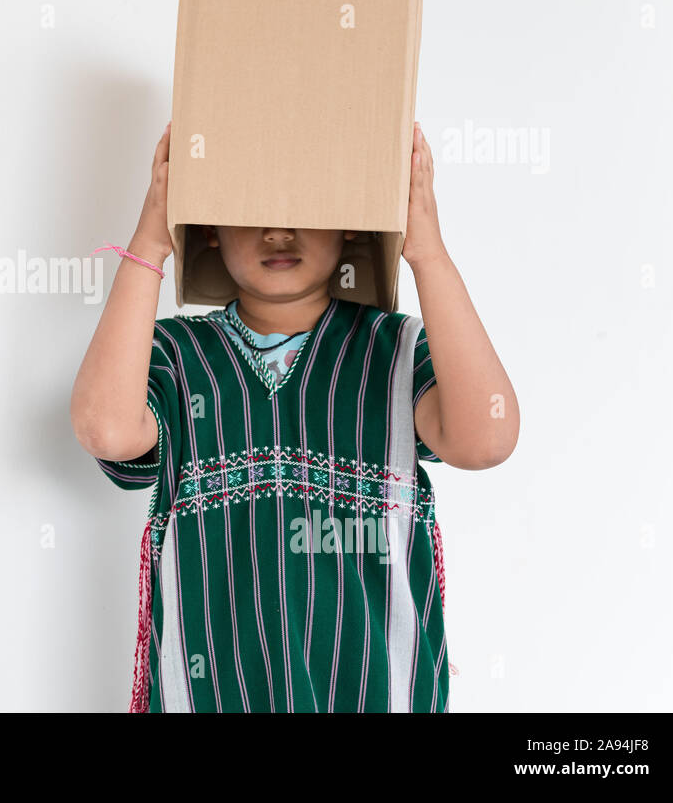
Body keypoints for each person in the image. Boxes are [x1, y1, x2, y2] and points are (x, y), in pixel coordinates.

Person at [70, 120, 519, 712]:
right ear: (207, 225)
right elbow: (106, 427)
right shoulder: (177, 357)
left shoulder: (394, 352)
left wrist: (427, 253)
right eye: (249, 206)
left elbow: (486, 437)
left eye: (304, 204)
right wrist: (152, 238)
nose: (277, 231)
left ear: (349, 218)